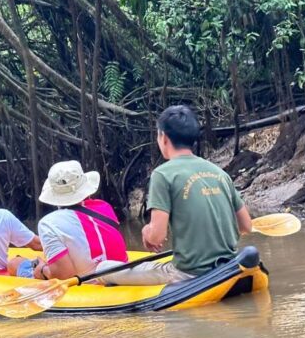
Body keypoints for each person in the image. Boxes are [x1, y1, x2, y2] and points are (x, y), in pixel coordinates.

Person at [97, 105, 253, 285]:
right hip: (229, 264)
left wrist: (147, 231)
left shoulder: (162, 175)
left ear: (163, 137)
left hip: (187, 274)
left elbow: (157, 237)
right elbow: (246, 226)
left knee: (103, 268)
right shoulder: (219, 173)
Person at [30, 160, 128, 280]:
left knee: (16, 265)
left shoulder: (48, 224)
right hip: (123, 276)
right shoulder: (104, 206)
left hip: (90, 286)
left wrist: (42, 270)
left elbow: (64, 276)